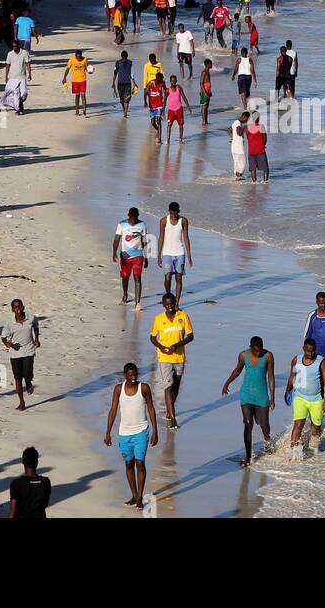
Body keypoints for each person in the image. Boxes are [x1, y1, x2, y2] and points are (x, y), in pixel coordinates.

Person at [103, 362, 159, 510]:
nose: (133, 378)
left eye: (135, 375)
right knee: (129, 464)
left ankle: (140, 496)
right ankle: (134, 495)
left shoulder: (144, 388)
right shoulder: (118, 389)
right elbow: (113, 410)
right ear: (125, 375)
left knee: (140, 463)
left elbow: (151, 409)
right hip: (124, 433)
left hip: (141, 431)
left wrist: (155, 430)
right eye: (130, 375)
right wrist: (108, 432)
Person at [221, 336, 275, 465]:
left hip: (262, 395)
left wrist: (272, 397)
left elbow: (271, 377)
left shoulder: (268, 356)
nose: (258, 353)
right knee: (247, 424)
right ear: (251, 348)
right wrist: (227, 383)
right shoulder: (243, 355)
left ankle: (268, 443)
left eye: (260, 350)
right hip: (246, 395)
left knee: (264, 425)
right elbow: (237, 370)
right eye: (255, 351)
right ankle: (248, 457)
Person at [149, 292, 193, 428]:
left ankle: (169, 409)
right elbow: (152, 337)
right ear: (163, 305)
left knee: (176, 386)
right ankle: (173, 419)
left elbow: (190, 336)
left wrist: (177, 345)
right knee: (168, 386)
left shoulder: (183, 316)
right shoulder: (158, 319)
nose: (170, 306)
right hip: (164, 358)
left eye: (172, 303)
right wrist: (161, 347)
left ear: (175, 302)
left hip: (179, 357)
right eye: (167, 304)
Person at [284, 337, 325, 460]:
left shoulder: (321, 361)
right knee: (298, 424)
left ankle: (313, 449)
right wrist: (287, 390)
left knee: (316, 427)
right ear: (303, 349)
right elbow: (292, 376)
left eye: (312, 351)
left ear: (315, 349)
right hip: (299, 397)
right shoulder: (296, 360)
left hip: (316, 399)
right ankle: (294, 452)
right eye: (307, 351)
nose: (310, 354)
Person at [1, 299, 40, 411]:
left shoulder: (31, 318)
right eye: (15, 307)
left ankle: (28, 382)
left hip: (29, 350)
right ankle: (21, 402)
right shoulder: (9, 323)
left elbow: (36, 327)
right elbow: (3, 337)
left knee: (27, 373)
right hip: (15, 353)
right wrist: (8, 344)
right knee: (18, 378)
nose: (18, 309)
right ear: (12, 309)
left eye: (19, 307)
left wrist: (37, 339)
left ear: (23, 307)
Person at [112, 207, 148, 312]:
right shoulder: (121, 224)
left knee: (137, 278)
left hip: (138, 255)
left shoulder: (142, 225)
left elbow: (144, 241)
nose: (133, 221)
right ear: (128, 215)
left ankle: (137, 303)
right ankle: (125, 295)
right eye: (131, 218)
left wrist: (146, 257)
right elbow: (117, 239)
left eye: (135, 218)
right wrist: (114, 252)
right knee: (125, 277)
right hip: (125, 255)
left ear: (138, 216)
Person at [157, 202, 191, 307]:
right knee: (167, 277)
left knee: (178, 278)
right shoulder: (163, 221)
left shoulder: (183, 221)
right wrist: (159, 254)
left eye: (175, 214)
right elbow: (161, 237)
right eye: (171, 214)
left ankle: (177, 302)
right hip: (167, 253)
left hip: (180, 253)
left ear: (178, 212)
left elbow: (186, 237)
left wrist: (189, 255)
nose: (173, 216)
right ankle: (168, 296)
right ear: (169, 212)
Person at [8, 446, 51, 518]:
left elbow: (12, 512)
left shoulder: (16, 483)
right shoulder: (45, 482)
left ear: (22, 462)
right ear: (37, 463)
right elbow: (45, 504)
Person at [2, 39, 32, 115]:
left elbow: (27, 63)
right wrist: (6, 76)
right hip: (12, 77)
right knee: (15, 94)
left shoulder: (24, 53)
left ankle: (19, 106)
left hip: (22, 77)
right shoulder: (10, 54)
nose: (14, 48)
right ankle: (19, 109)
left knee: (23, 93)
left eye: (15, 46)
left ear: (19, 46)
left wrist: (29, 73)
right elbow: (7, 65)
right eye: (13, 46)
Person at [62, 49, 89, 116]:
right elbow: (67, 69)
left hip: (83, 80)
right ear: (75, 56)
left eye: (80, 57)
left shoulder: (85, 60)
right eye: (77, 57)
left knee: (83, 95)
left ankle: (84, 110)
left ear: (81, 56)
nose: (78, 58)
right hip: (75, 81)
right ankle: (77, 111)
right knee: (77, 96)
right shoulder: (71, 60)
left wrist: (90, 71)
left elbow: (87, 69)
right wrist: (64, 78)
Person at [165, 75, 190, 143]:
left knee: (181, 125)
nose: (173, 82)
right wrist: (163, 111)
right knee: (169, 125)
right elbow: (164, 101)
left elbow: (184, 97)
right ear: (170, 81)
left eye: (174, 80)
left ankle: (180, 139)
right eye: (172, 81)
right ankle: (168, 140)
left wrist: (188, 107)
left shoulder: (179, 88)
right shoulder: (167, 90)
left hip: (179, 109)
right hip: (171, 110)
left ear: (176, 81)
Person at [145, 71, 167, 144]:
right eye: (161, 79)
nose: (162, 80)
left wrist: (164, 101)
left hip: (159, 104)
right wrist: (145, 101)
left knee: (158, 121)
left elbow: (166, 91)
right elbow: (146, 91)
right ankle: (158, 131)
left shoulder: (162, 83)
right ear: (157, 78)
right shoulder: (151, 83)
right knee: (152, 122)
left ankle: (160, 139)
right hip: (152, 105)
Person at [246, 112, 268, 182]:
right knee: (265, 168)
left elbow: (248, 137)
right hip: (260, 149)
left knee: (253, 168)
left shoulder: (248, 127)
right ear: (259, 118)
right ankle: (265, 182)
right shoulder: (261, 126)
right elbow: (265, 138)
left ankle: (254, 182)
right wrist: (263, 145)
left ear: (252, 118)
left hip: (251, 150)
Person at [112, 51, 134, 118]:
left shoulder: (130, 63)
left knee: (127, 99)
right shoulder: (117, 63)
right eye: (123, 57)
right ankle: (124, 110)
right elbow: (115, 73)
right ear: (121, 57)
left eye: (125, 57)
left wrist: (134, 82)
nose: (124, 59)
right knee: (122, 100)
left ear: (127, 57)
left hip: (128, 83)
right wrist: (113, 82)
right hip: (120, 83)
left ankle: (125, 113)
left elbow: (132, 73)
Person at [228, 111, 249, 179]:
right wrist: (245, 127)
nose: (246, 121)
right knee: (243, 164)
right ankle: (239, 177)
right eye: (247, 119)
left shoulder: (235, 122)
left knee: (236, 163)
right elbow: (239, 133)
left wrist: (232, 137)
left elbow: (228, 130)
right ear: (244, 117)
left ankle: (237, 178)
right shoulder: (238, 123)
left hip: (234, 147)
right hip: (239, 148)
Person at [199, 58, 214, 125]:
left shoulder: (208, 72)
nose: (212, 65)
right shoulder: (204, 72)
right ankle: (204, 121)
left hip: (208, 89)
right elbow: (201, 83)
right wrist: (205, 93)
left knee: (206, 106)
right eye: (211, 63)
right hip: (204, 90)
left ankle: (206, 120)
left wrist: (210, 92)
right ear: (207, 64)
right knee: (204, 106)